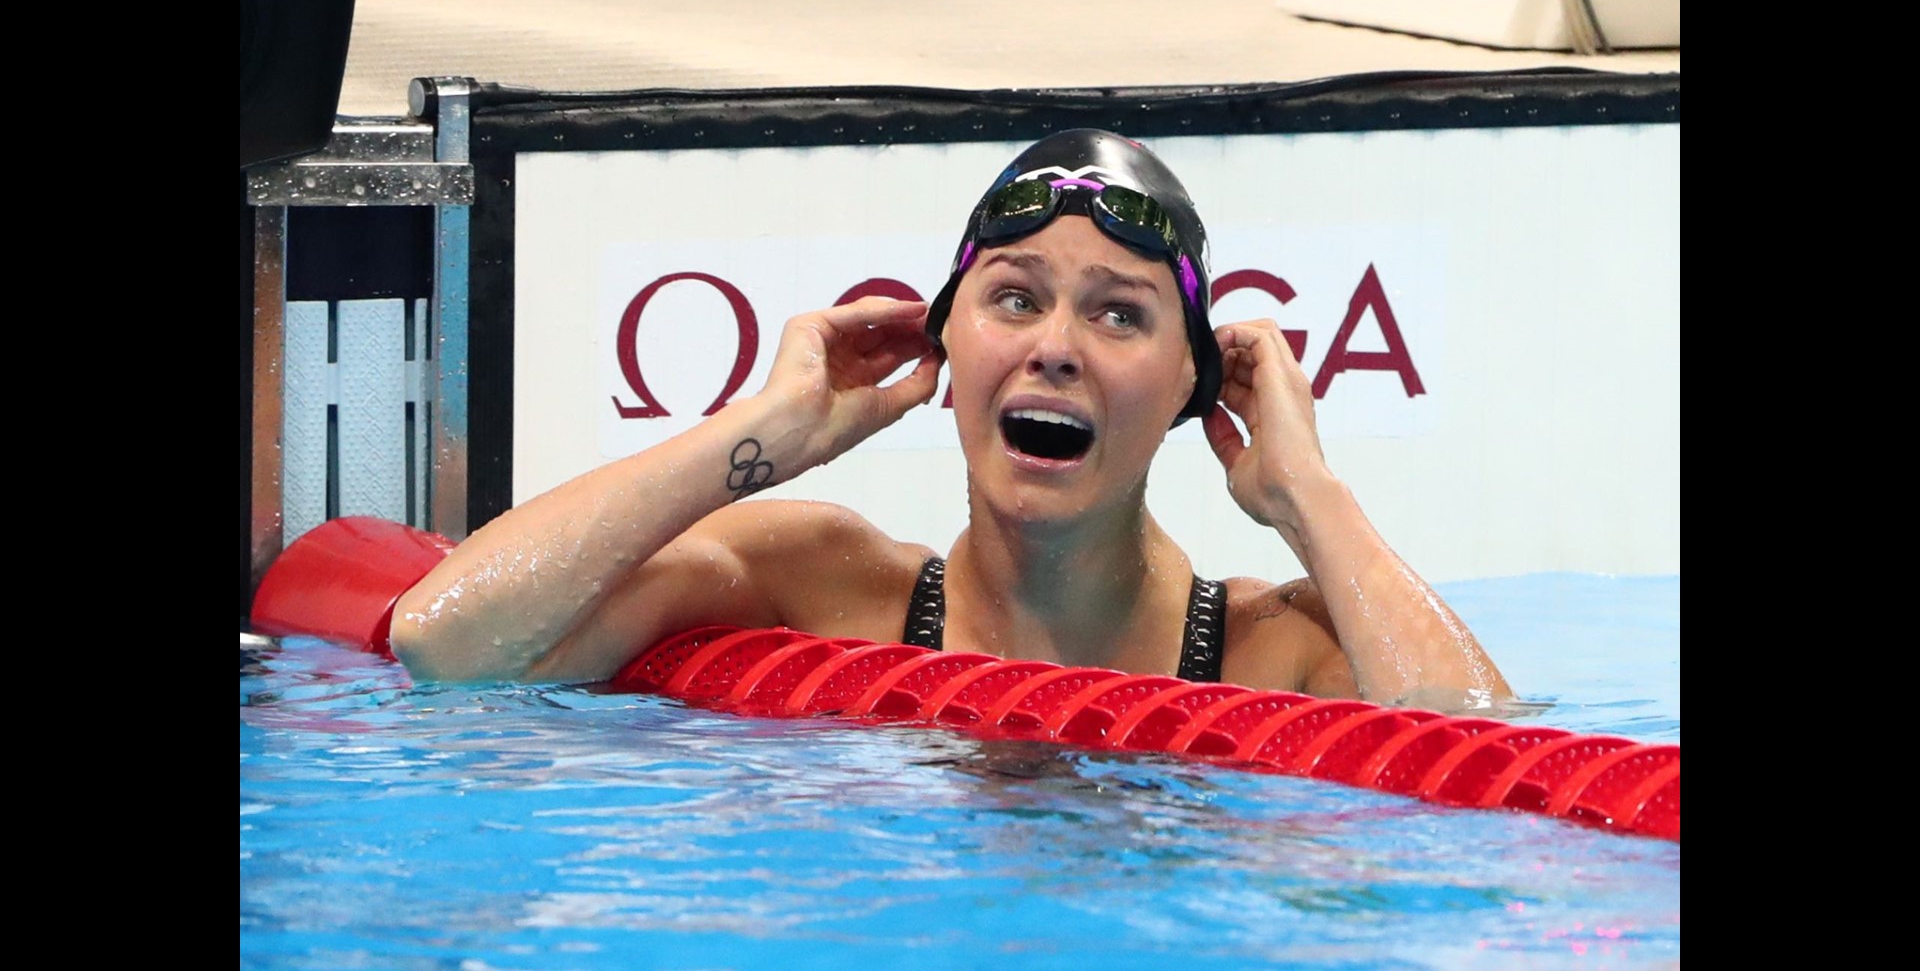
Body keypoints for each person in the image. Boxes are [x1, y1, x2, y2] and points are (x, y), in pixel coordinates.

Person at [391, 129, 1511, 711]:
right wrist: (754, 442)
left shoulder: (1278, 647)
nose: (1056, 345)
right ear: (946, 342)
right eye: (1014, 299)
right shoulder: (824, 584)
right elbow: (448, 641)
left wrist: (1310, 503)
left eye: (1120, 315)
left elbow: (1490, 773)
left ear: (1190, 386)